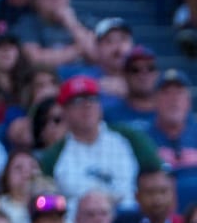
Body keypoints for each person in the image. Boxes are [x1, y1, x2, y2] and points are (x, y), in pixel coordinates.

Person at [48, 76, 139, 207]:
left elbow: (153, 173)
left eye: (92, 99)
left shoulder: (125, 139)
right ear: (64, 111)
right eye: (77, 101)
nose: (87, 106)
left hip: (125, 214)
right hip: (76, 218)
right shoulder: (55, 153)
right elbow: (47, 200)